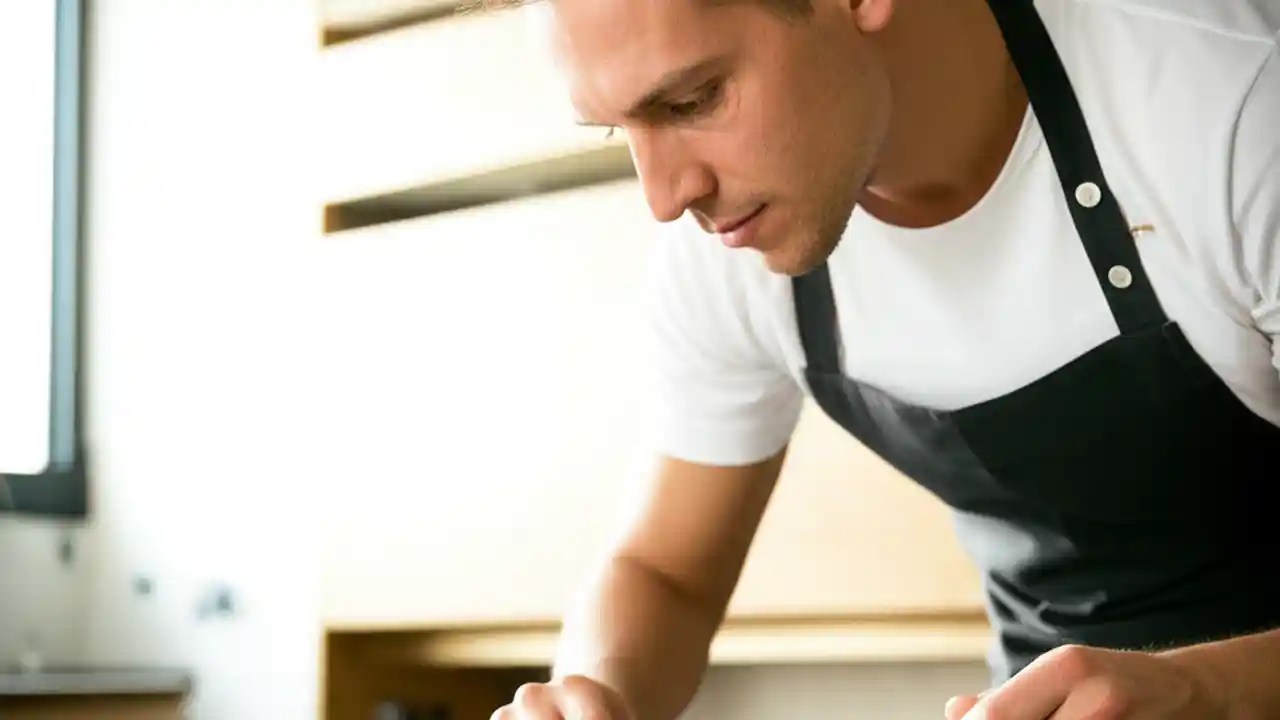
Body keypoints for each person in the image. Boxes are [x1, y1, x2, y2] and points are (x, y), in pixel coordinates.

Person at [486, 0, 1280, 718]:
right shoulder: (730, 243)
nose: (664, 196)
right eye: (617, 129)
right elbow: (666, 572)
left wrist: (1206, 691)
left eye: (693, 101)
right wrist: (593, 693)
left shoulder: (1235, 109)